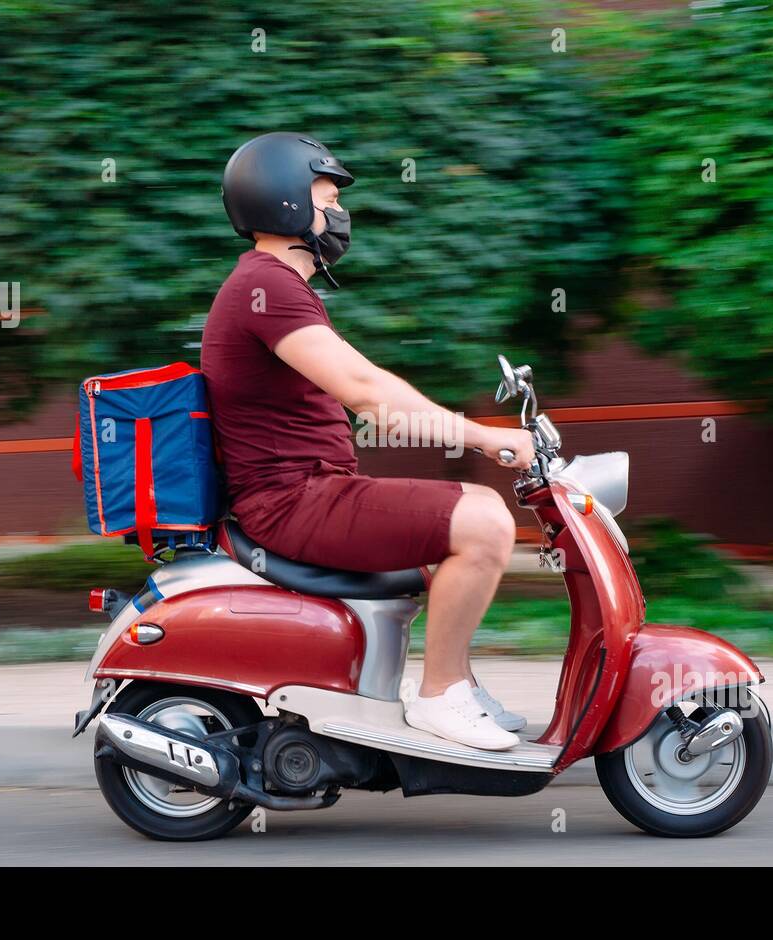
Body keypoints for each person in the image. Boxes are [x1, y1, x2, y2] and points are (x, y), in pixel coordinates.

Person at [201, 132, 535, 750]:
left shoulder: (279, 287)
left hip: (311, 490)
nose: (338, 213)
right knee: (484, 521)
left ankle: (453, 680)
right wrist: (483, 438)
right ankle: (439, 698)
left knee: (447, 519)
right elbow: (364, 391)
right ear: (286, 204)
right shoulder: (267, 287)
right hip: (290, 500)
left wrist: (477, 436)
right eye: (327, 196)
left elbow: (368, 388)